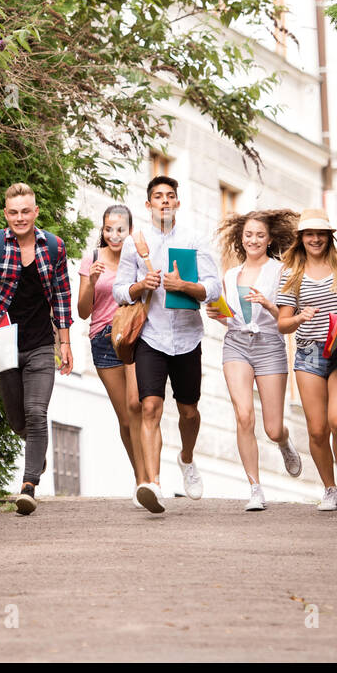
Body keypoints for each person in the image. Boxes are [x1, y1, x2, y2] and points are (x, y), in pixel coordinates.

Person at [0, 183, 73, 516]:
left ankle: (28, 485)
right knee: (16, 419)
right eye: (13, 212)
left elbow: (62, 297)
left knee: (37, 413)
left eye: (26, 211)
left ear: (36, 212)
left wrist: (65, 343)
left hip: (40, 345)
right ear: (6, 214)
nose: (20, 218)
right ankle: (39, 448)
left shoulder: (53, 247)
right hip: (2, 344)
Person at [113, 176, 221, 514]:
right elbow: (119, 290)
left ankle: (186, 458)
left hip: (187, 337)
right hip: (151, 336)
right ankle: (153, 483)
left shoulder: (194, 239)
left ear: (177, 204)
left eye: (169, 197)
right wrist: (139, 285)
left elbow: (214, 288)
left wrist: (185, 286)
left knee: (188, 411)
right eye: (157, 197)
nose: (164, 201)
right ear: (148, 205)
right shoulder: (135, 243)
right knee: (150, 408)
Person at [206, 209, 303, 511]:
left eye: (260, 235)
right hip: (236, 345)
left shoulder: (281, 271)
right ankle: (255, 489)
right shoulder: (231, 275)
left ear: (269, 239)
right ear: (241, 238)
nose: (254, 240)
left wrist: (268, 304)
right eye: (249, 235)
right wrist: (218, 315)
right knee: (244, 415)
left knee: (272, 428)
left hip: (270, 346)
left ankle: (284, 442)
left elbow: (289, 319)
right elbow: (232, 320)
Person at [275, 208, 337, 512]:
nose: (315, 239)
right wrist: (300, 317)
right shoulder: (290, 274)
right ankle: (328, 488)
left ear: (329, 237)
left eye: (321, 234)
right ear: (301, 238)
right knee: (317, 430)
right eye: (309, 234)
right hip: (310, 353)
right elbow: (282, 323)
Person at [77, 204, 146, 506]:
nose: (114, 235)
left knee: (138, 407)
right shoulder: (91, 260)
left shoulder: (139, 258)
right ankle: (140, 479)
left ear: (129, 230)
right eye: (109, 229)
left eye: (120, 229)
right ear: (103, 231)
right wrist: (91, 282)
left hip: (135, 335)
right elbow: (82, 312)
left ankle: (149, 478)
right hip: (104, 340)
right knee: (125, 417)